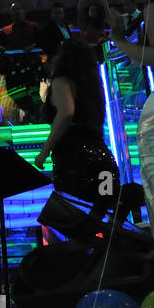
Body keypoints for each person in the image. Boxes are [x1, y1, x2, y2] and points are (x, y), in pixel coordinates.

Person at [35, 38, 119, 213]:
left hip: (75, 164)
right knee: (104, 223)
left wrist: (44, 152)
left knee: (76, 223)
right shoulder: (93, 86)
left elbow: (66, 113)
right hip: (104, 162)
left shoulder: (61, 81)